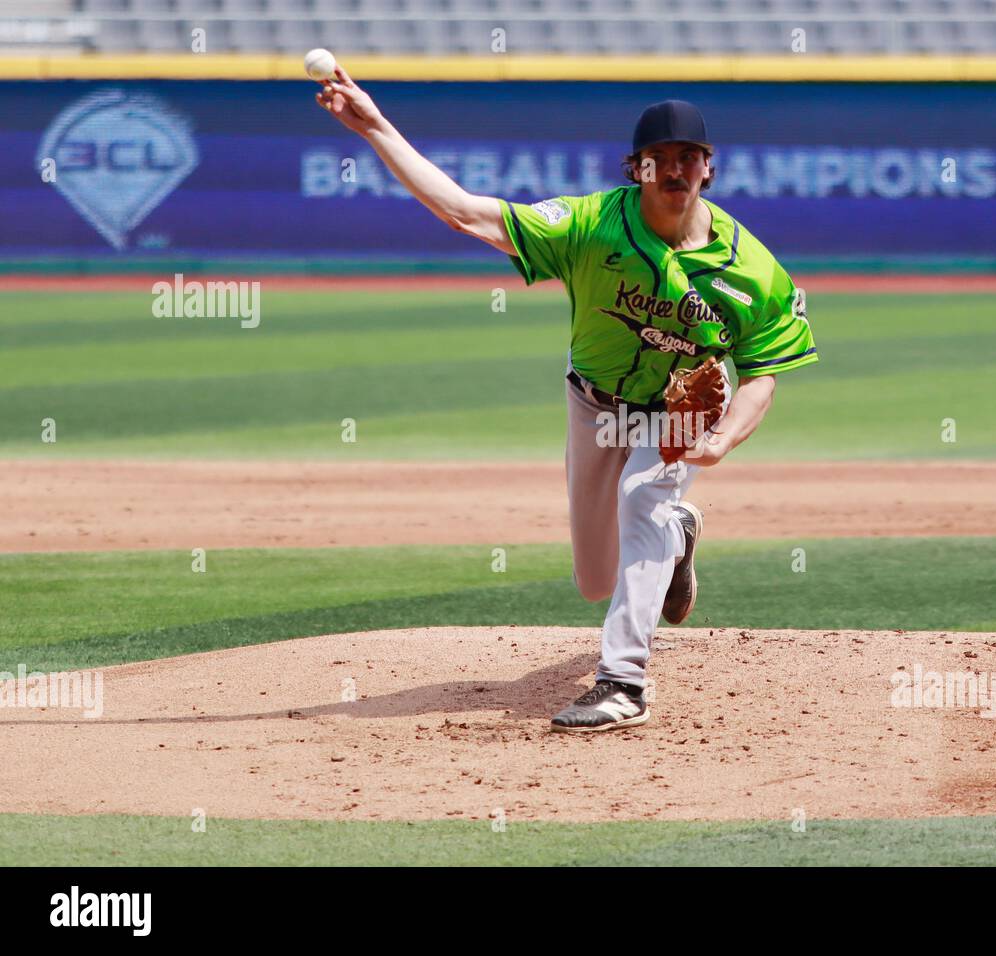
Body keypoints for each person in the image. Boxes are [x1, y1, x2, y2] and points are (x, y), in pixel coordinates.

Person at [315, 69, 817, 733]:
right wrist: (375, 125)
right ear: (635, 169)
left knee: (644, 501)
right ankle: (679, 536)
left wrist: (720, 439)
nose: (673, 170)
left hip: (674, 412)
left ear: (709, 168)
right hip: (593, 406)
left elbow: (763, 372)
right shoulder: (588, 225)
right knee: (593, 579)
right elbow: (466, 211)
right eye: (657, 159)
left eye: (687, 158)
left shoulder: (750, 269)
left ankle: (623, 683)